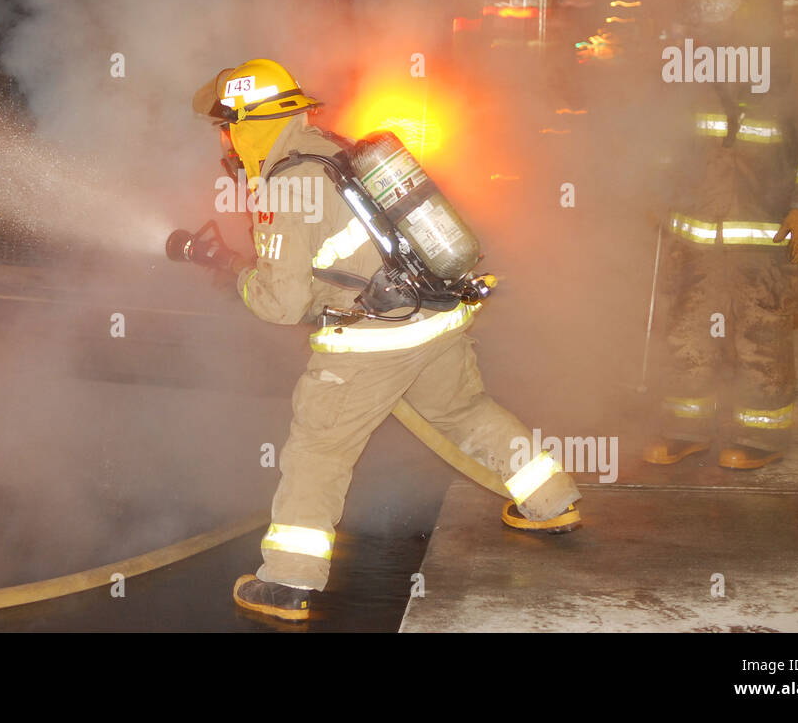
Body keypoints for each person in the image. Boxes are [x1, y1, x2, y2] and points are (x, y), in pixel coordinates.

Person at [192, 57, 582, 623]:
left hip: (369, 344)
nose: (225, 141)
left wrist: (241, 278)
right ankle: (551, 500)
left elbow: (280, 304)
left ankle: (287, 582)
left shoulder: (284, 185)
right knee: (466, 411)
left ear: (246, 123)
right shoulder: (336, 149)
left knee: (318, 454)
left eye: (228, 126)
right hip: (436, 317)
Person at [644, 0, 798, 469]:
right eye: (701, 9)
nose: (705, 20)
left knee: (758, 337)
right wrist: (654, 189)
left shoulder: (791, 63)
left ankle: (761, 436)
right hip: (696, 233)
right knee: (687, 332)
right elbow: (669, 139)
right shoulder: (690, 64)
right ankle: (684, 428)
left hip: (766, 235)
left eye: (716, 7)